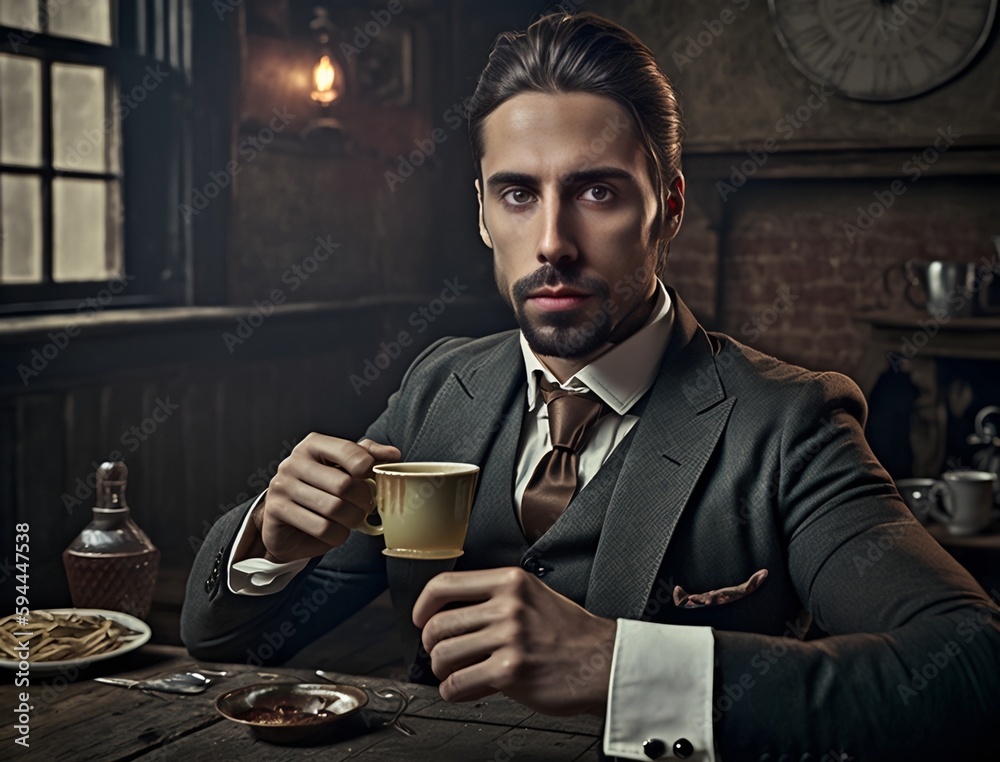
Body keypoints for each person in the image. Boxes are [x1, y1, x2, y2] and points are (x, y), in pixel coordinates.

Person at [181, 12, 1000, 760]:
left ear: (669, 208)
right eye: (517, 193)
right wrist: (267, 545)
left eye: (597, 191)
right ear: (481, 214)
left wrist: (624, 667)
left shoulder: (790, 423)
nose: (552, 242)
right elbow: (224, 643)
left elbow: (971, 670)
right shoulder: (438, 388)